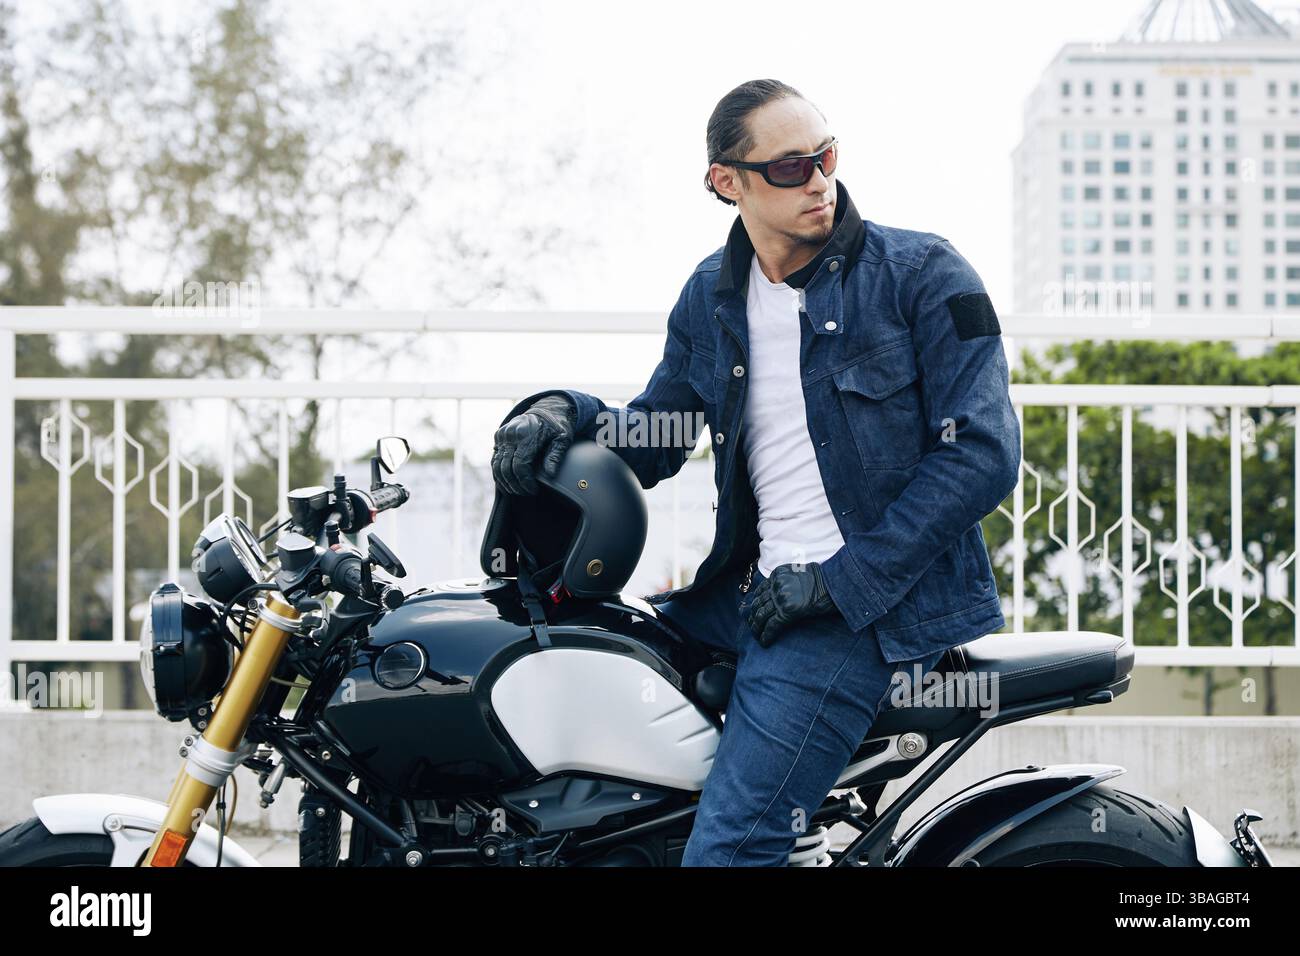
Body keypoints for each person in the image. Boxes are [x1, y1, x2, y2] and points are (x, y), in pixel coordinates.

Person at [490, 78, 1021, 866]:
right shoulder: (712, 295)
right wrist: (563, 412)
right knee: (565, 658)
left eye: (826, 155)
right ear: (725, 181)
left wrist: (835, 585)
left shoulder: (921, 273)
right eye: (789, 167)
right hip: (749, 596)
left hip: (862, 612)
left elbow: (983, 453)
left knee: (732, 851)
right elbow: (655, 437)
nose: (818, 179)